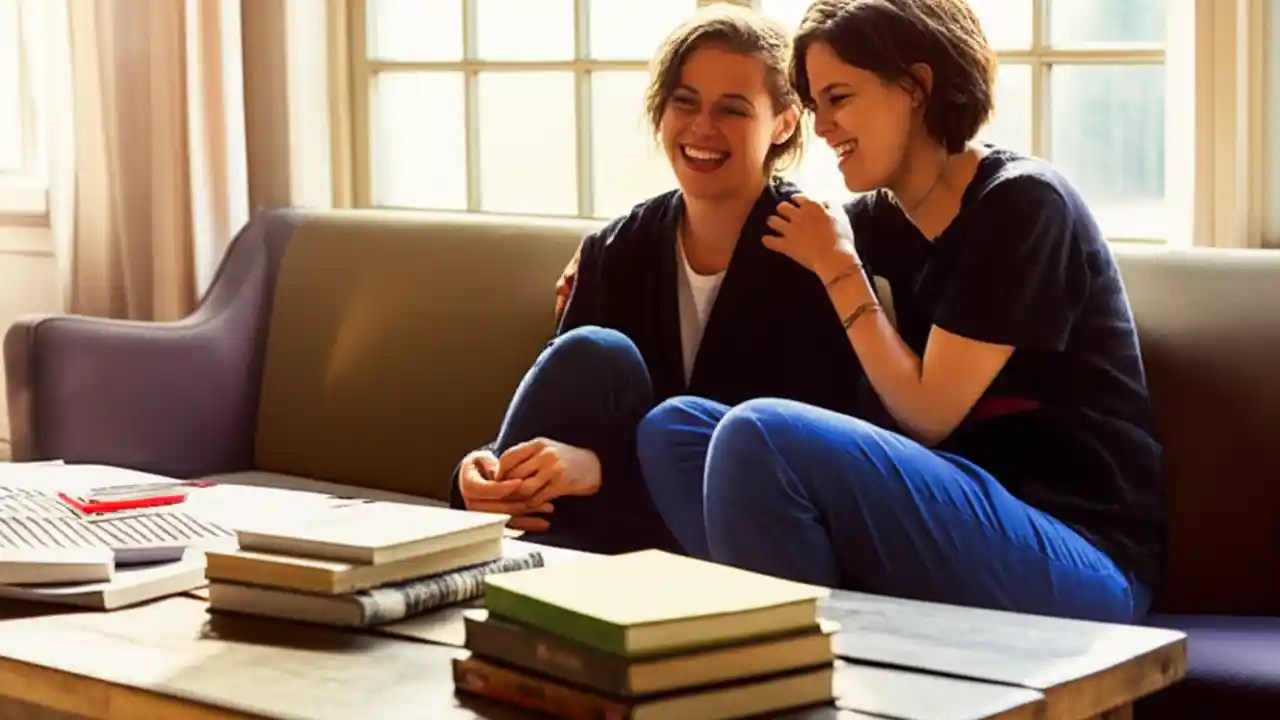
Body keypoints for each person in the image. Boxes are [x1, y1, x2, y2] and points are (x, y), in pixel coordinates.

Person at [638, 0, 1165, 624]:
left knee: (758, 433)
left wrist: (838, 270)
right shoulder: (874, 223)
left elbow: (929, 414)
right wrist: (610, 252)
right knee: (675, 431)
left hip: (1080, 554)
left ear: (915, 87)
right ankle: (823, 642)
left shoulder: (1023, 205)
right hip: (948, 517)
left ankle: (806, 664)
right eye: (813, 105)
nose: (824, 126)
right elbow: (755, 239)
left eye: (839, 97)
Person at [448, 5, 865, 554]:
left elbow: (792, 463)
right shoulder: (616, 249)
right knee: (595, 352)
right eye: (684, 102)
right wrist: (474, 476)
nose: (701, 128)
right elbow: (557, 409)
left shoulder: (814, 251)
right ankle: (483, 544)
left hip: (737, 532)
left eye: (732, 110)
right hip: (602, 526)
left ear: (784, 122)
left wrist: (600, 470)